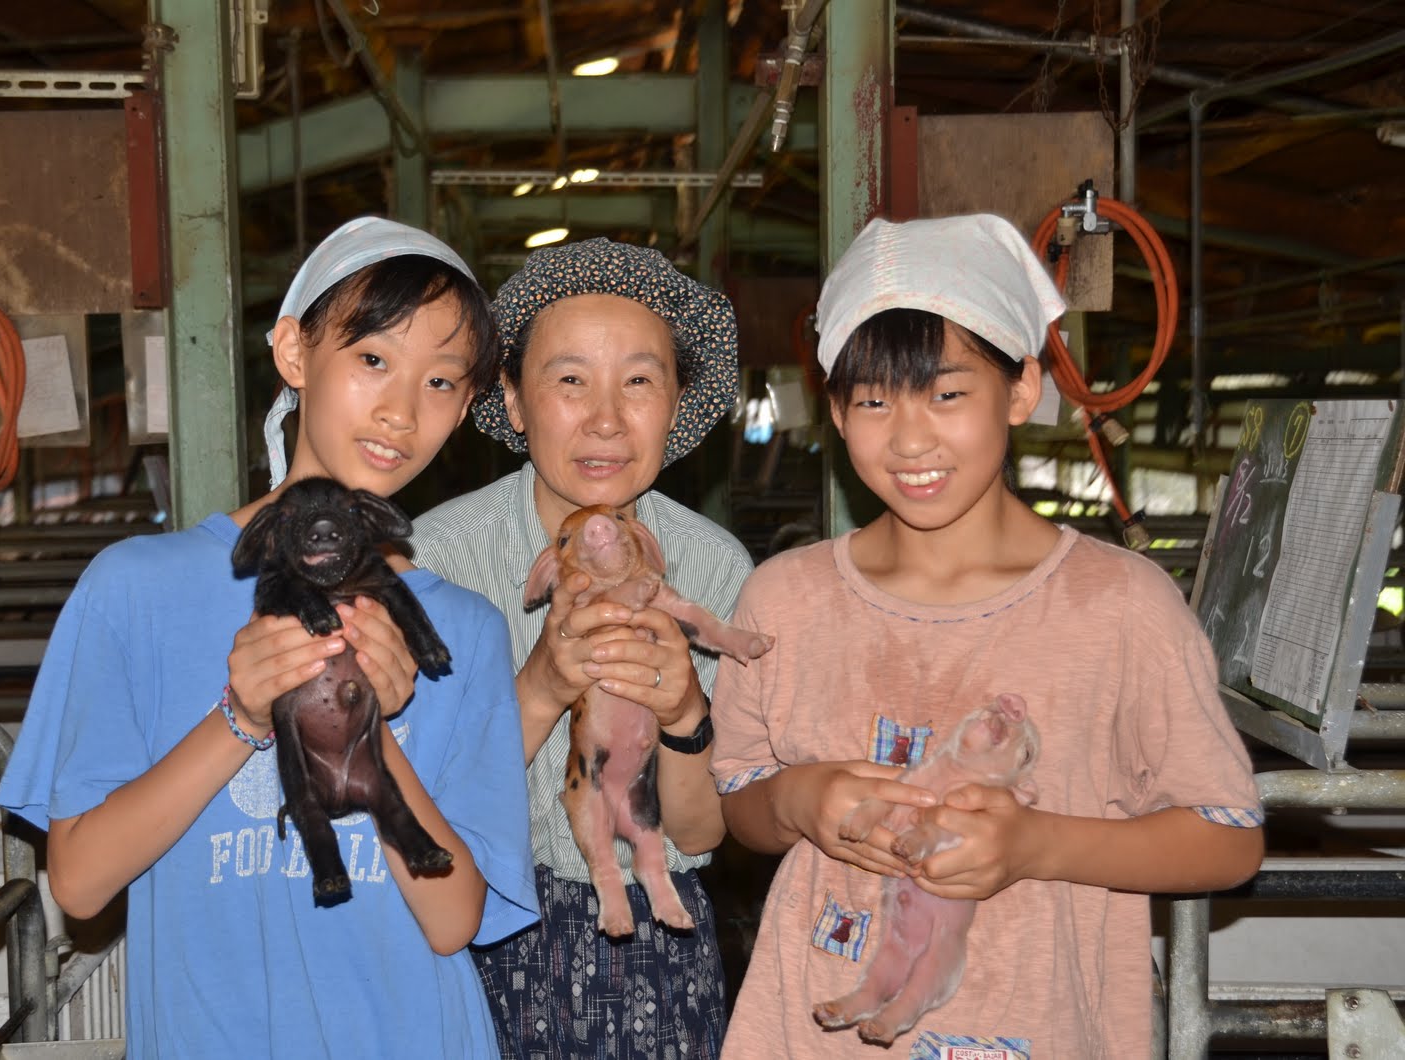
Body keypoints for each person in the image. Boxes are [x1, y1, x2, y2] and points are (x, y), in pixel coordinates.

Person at [710, 214, 1265, 1058]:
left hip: (1040, 1028)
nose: (908, 436)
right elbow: (740, 800)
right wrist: (797, 800)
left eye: (947, 392)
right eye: (872, 400)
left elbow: (1228, 839)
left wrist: (1037, 843)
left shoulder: (1120, 607)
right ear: (835, 410)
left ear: (1021, 389)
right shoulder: (785, 600)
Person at [0, 217, 539, 1059]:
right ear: (294, 352)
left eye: (441, 383)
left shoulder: (463, 628)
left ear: (466, 405)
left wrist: (365, 731)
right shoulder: (136, 589)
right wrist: (240, 718)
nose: (401, 411)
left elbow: (451, 919)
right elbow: (79, 880)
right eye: (371, 360)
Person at [409, 237, 747, 1058]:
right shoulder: (436, 559)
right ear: (515, 403)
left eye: (638, 380)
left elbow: (702, 834)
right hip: (473, 931)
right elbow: (414, 812)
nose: (606, 419)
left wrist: (686, 715)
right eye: (569, 381)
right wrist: (541, 684)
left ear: (675, 401)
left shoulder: (712, 567)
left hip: (657, 948)